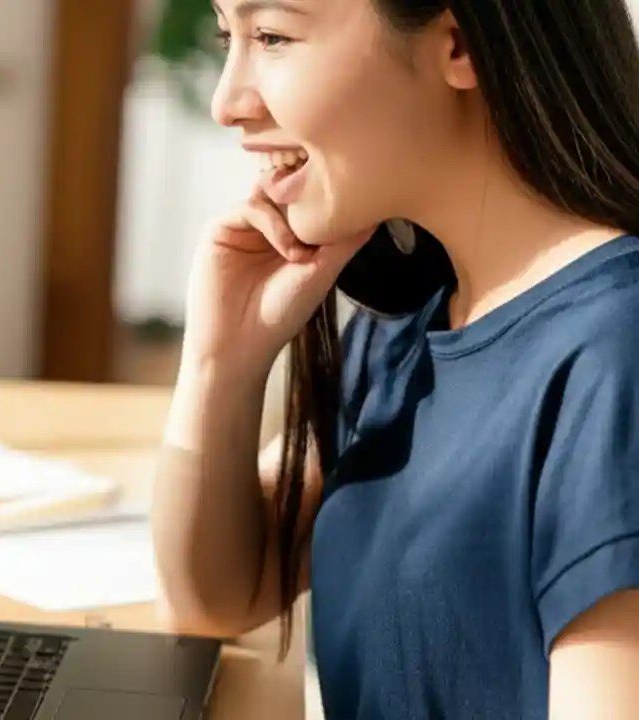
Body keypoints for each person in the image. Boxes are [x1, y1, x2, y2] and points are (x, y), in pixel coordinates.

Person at [150, 1, 639, 718]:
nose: (228, 103)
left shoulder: (614, 357)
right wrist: (220, 364)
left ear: (460, 44)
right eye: (230, 38)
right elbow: (215, 599)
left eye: (272, 36)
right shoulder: (405, 330)